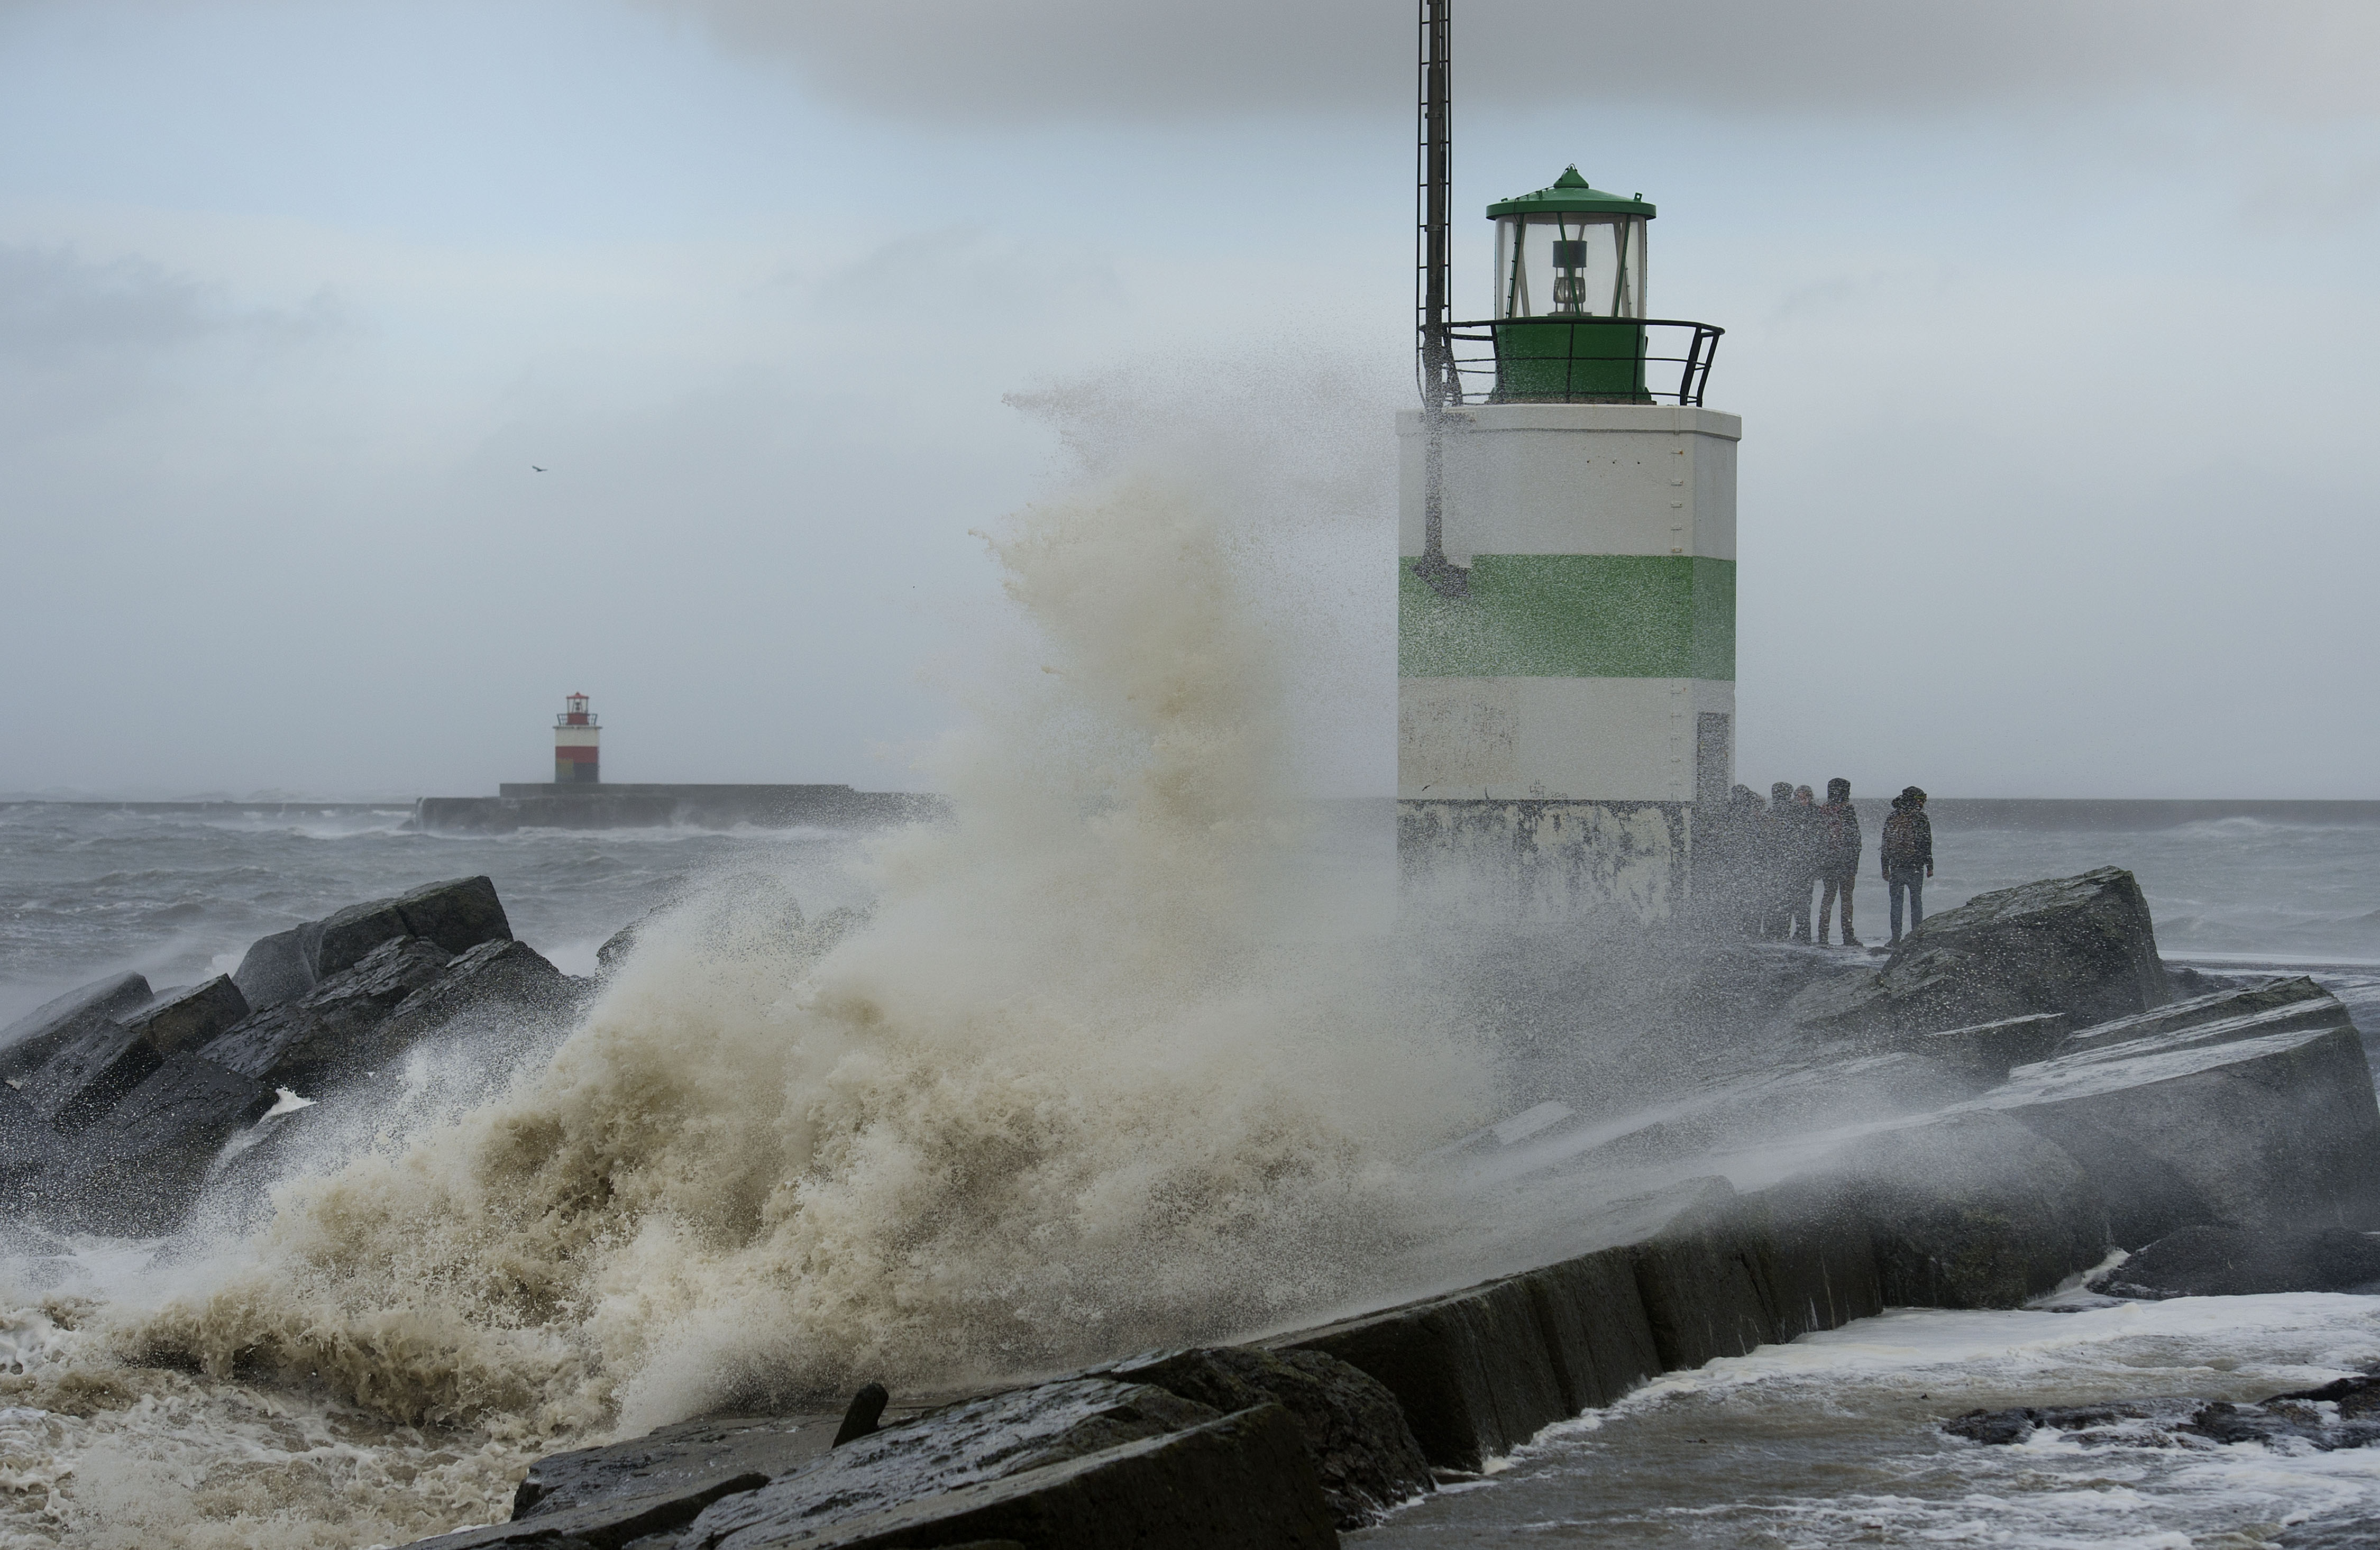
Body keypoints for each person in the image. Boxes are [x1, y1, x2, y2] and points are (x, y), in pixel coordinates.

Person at [1881, 785, 1934, 946]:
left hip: (1896, 867)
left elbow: (1885, 844)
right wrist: (1930, 866)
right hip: (1915, 867)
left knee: (1896, 904)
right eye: (1921, 801)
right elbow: (1926, 843)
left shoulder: (1892, 817)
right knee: (1916, 902)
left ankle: (1895, 939)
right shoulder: (1920, 818)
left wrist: (1885, 867)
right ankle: (1915, 937)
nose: (1922, 804)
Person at [1816, 777, 1862, 946]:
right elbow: (1854, 838)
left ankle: (1823, 935)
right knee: (1847, 899)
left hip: (1828, 861)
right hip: (1846, 862)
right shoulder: (1847, 810)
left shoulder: (1823, 810)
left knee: (1828, 897)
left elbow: (1818, 838)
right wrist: (1854, 861)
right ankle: (1848, 935)